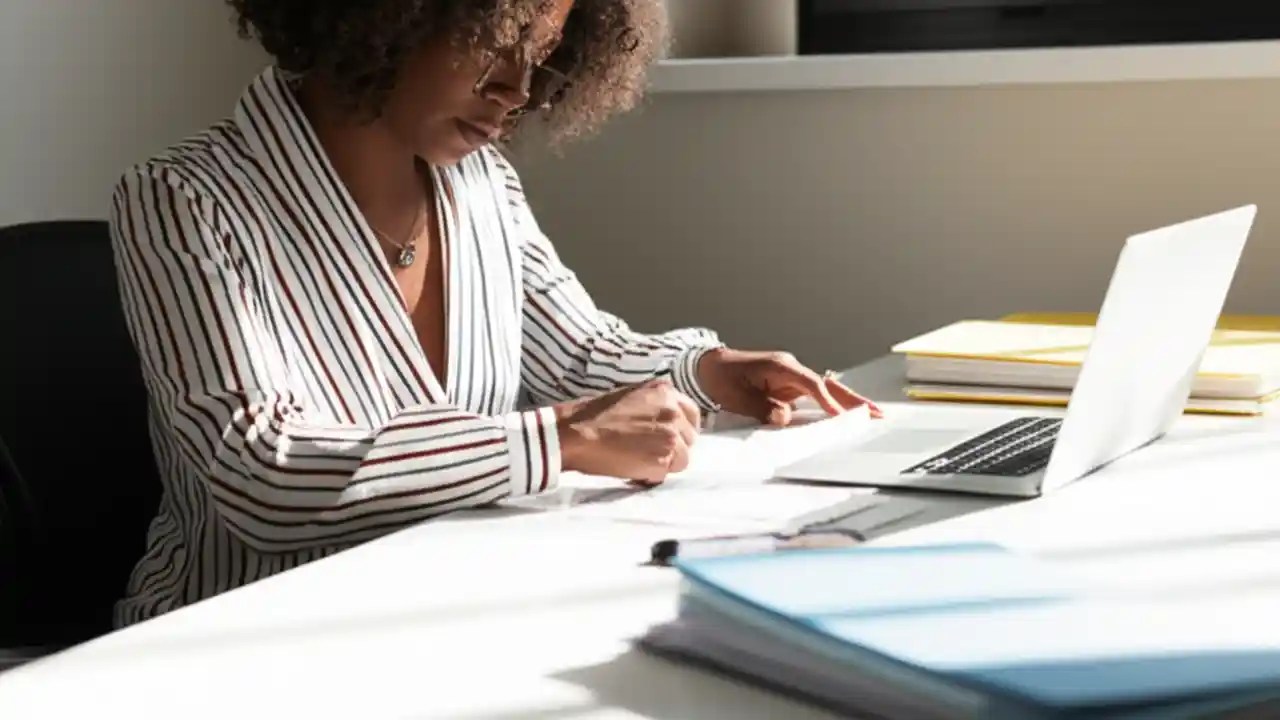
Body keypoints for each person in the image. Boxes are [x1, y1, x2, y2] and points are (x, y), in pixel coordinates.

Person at [107, 0, 879, 626]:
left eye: (542, 55)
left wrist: (707, 371)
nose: (519, 90)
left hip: (436, 613)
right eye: (494, 40)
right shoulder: (184, 199)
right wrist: (561, 439)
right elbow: (262, 473)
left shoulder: (482, 186)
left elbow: (579, 355)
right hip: (232, 644)